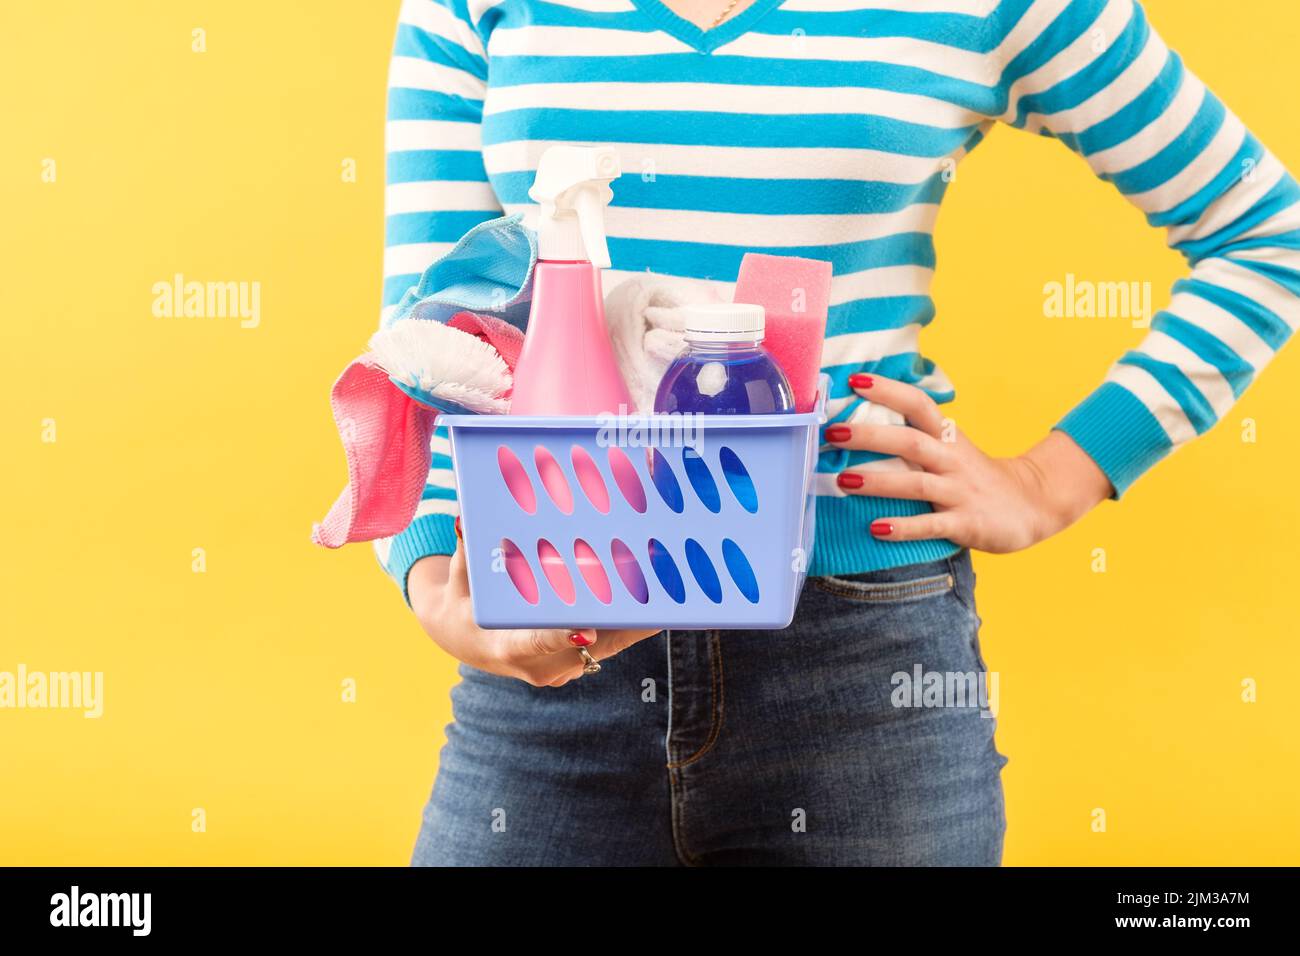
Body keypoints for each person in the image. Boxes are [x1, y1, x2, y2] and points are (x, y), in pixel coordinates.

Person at [375, 0, 1299, 865]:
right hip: (552, 626)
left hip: (864, 669)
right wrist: (435, 584)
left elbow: (1266, 233)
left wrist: (1056, 479)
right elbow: (434, 337)